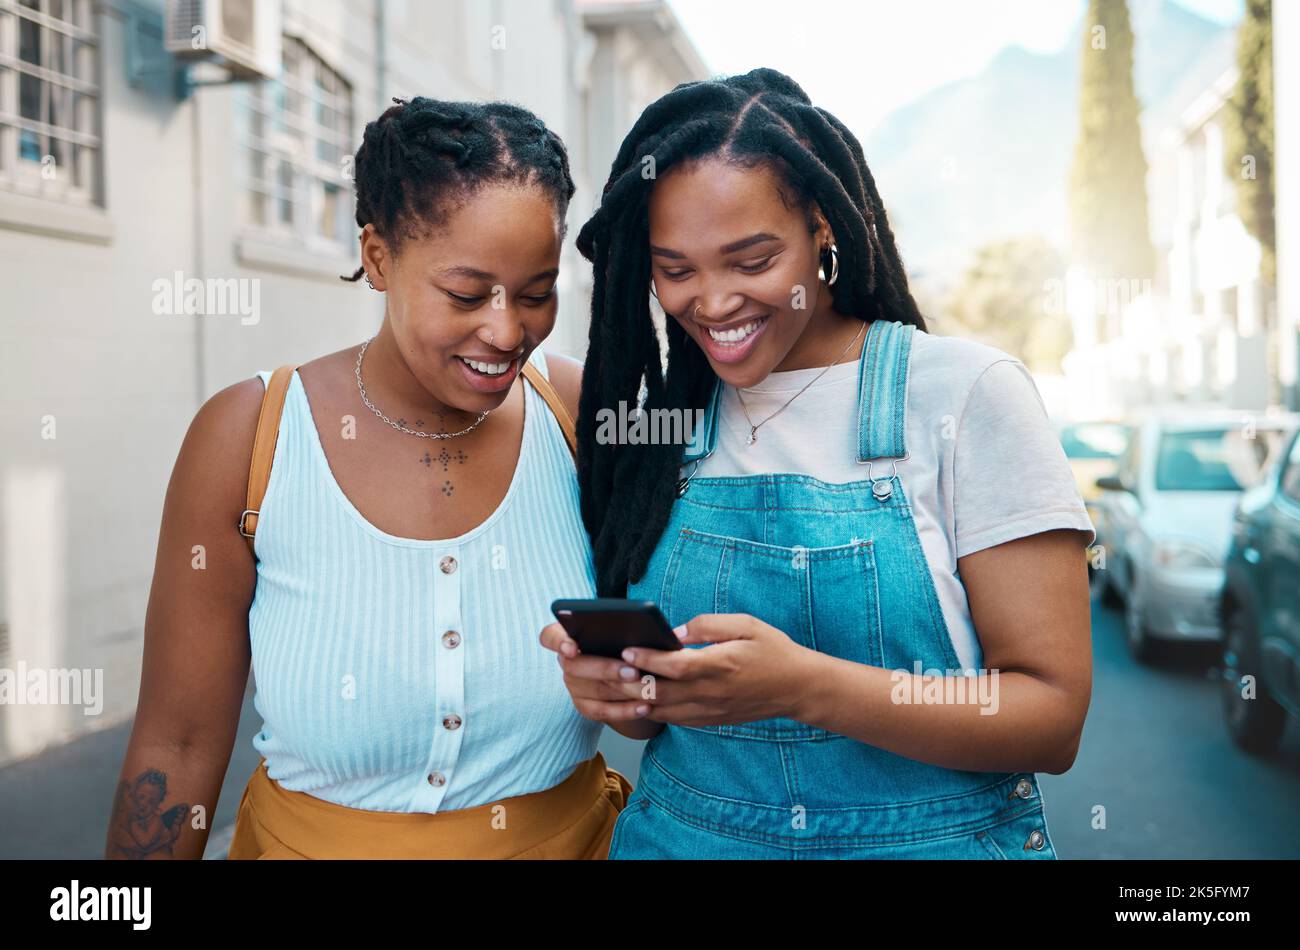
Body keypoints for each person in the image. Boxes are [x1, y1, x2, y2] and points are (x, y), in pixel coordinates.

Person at [542, 68, 1094, 859]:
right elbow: (655, 713)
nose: (715, 301)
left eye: (752, 259)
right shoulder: (659, 421)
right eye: (676, 269)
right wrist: (624, 697)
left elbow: (1051, 717)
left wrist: (805, 688)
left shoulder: (966, 395)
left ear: (823, 229)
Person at [106, 97, 629, 860]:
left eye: (536, 292)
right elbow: (177, 748)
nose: (506, 329)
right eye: (465, 293)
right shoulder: (250, 439)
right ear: (378, 257)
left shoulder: (583, 417)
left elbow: (656, 692)